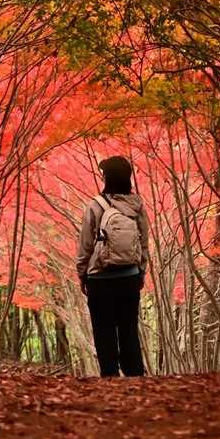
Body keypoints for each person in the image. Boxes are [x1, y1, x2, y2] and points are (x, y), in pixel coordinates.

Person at [76, 154, 149, 377]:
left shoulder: (95, 205)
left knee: (103, 330)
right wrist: (141, 272)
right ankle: (135, 376)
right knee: (128, 328)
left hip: (100, 279)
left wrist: (82, 274)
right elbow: (144, 241)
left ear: (106, 177)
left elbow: (86, 245)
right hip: (129, 276)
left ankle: (110, 377)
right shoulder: (137, 206)